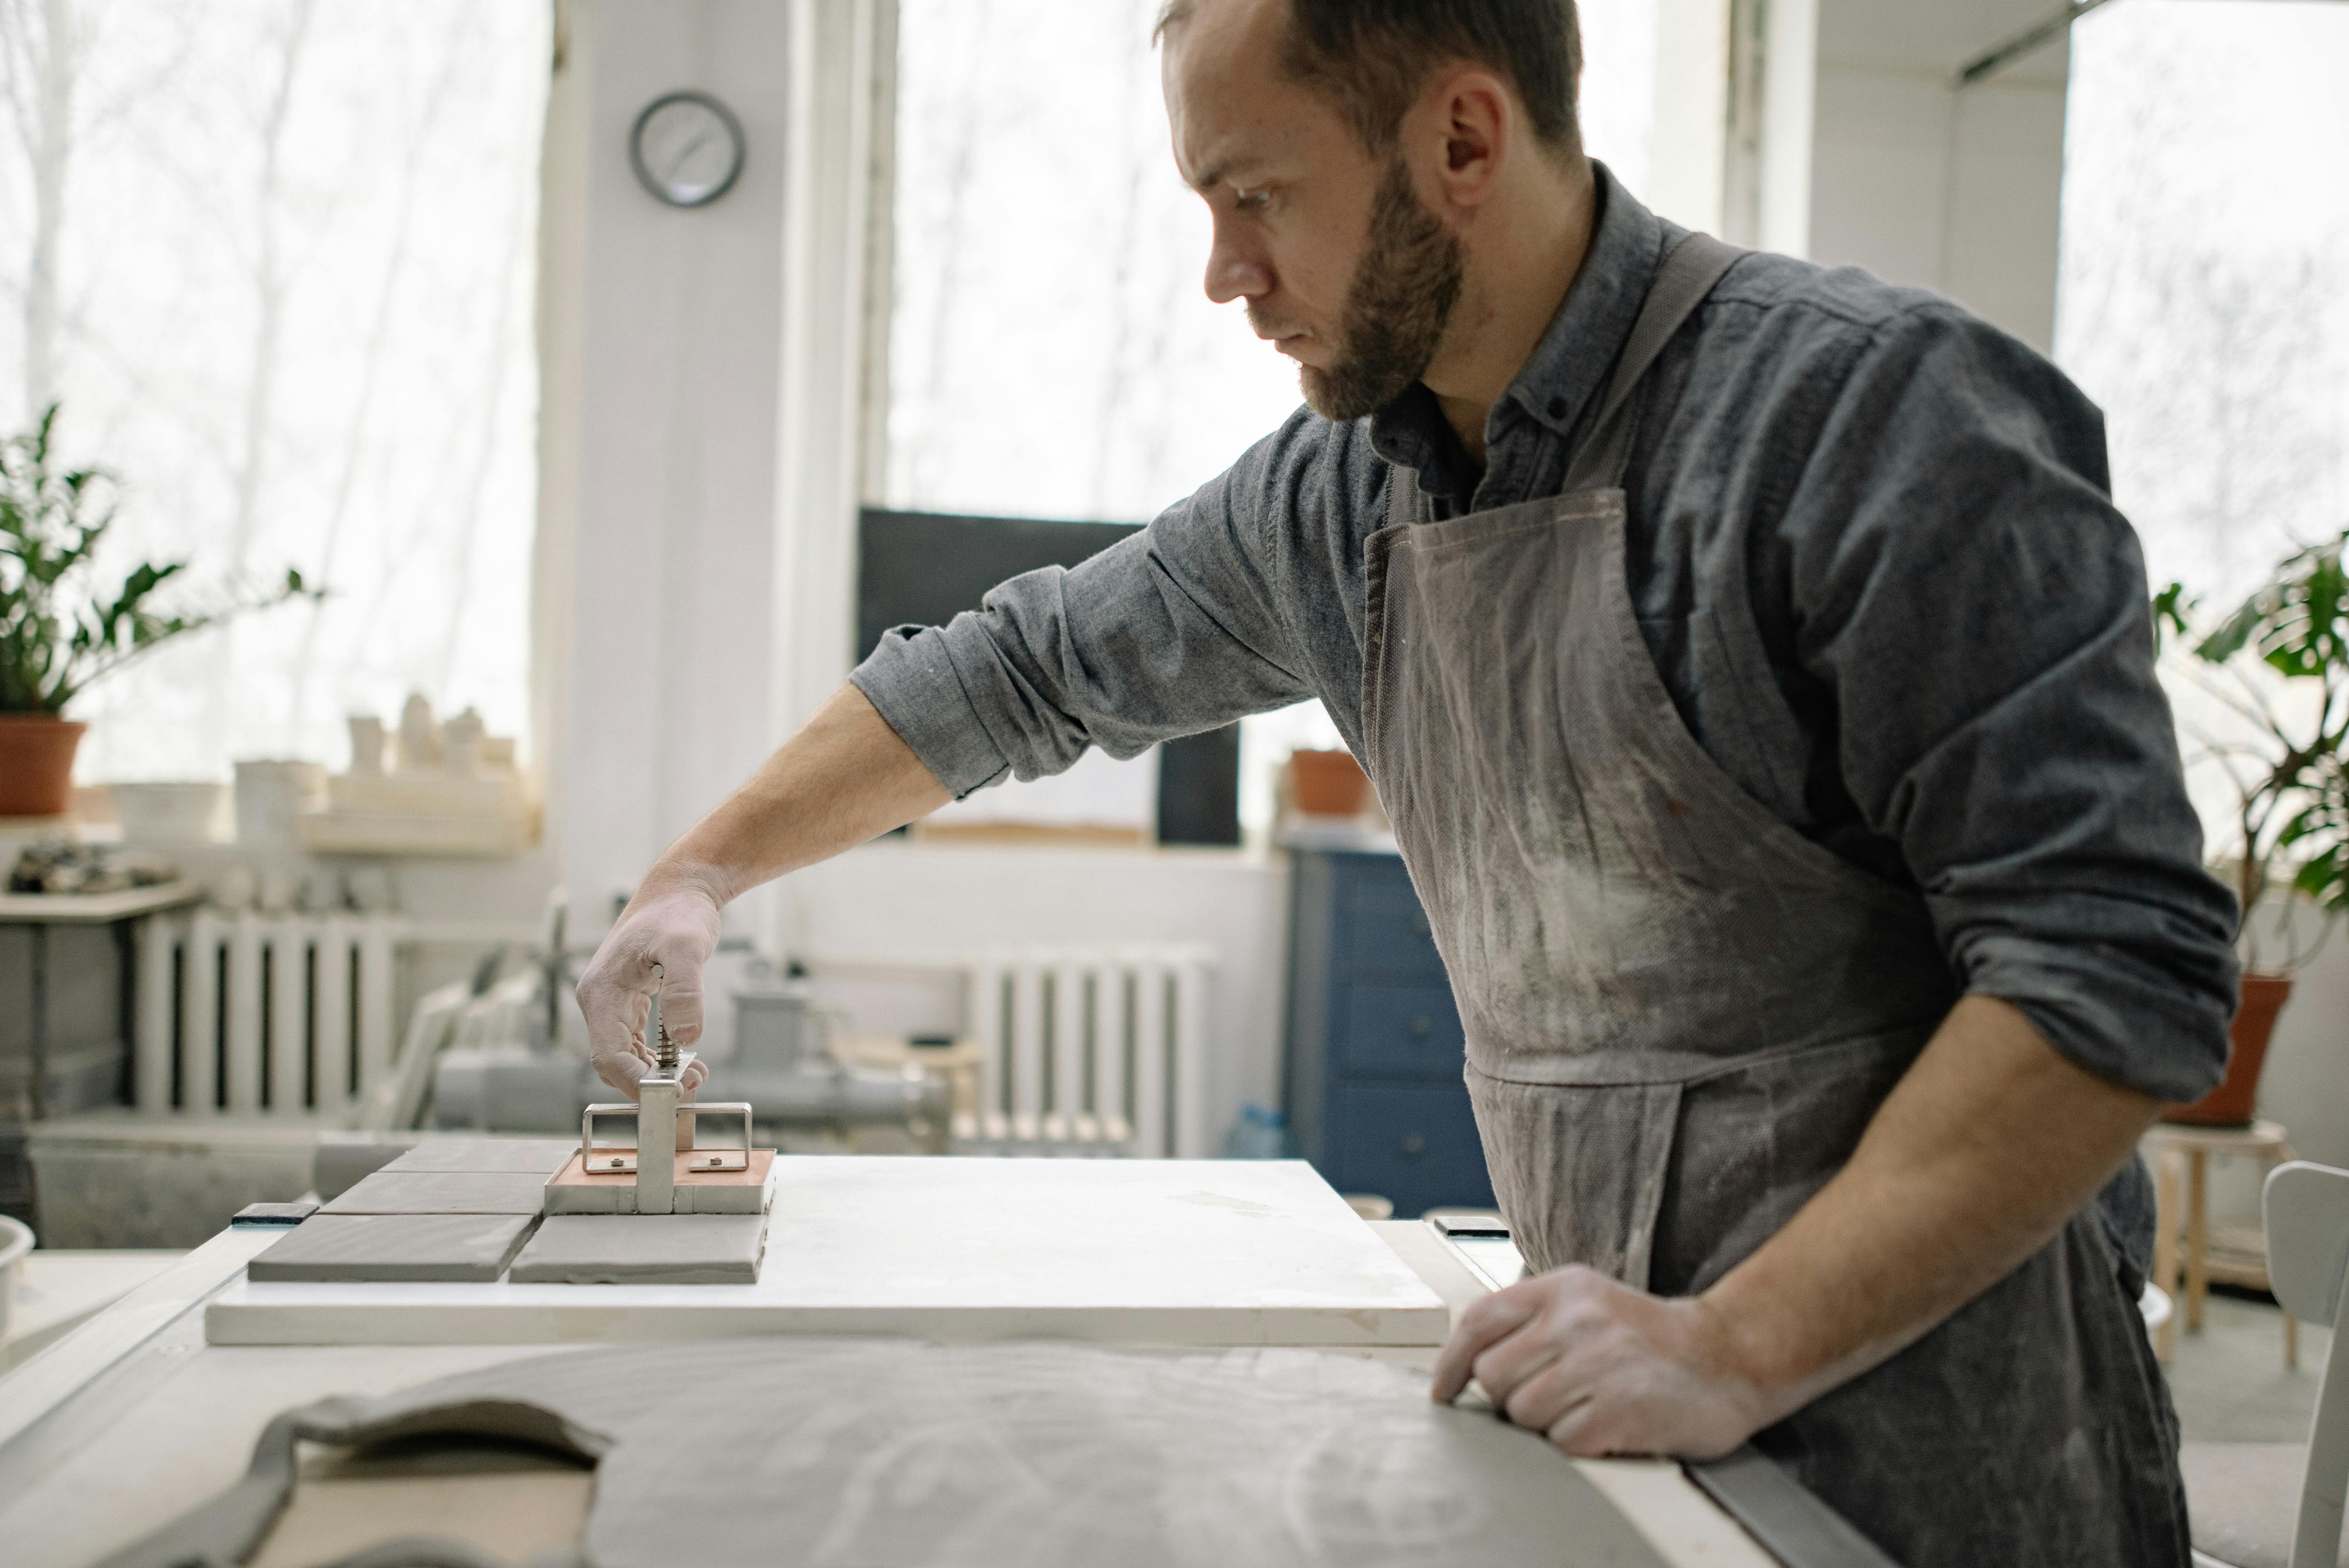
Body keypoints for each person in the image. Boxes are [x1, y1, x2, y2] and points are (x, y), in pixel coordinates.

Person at [576, 1, 2237, 1561]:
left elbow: (2113, 967)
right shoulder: (1337, 500)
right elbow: (1026, 666)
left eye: (1257, 197)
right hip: (1622, 1421)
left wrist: (1733, 1345)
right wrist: (699, 873)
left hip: (1945, 1466)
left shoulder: (1868, 420)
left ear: (1461, 140)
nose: (1222, 273)